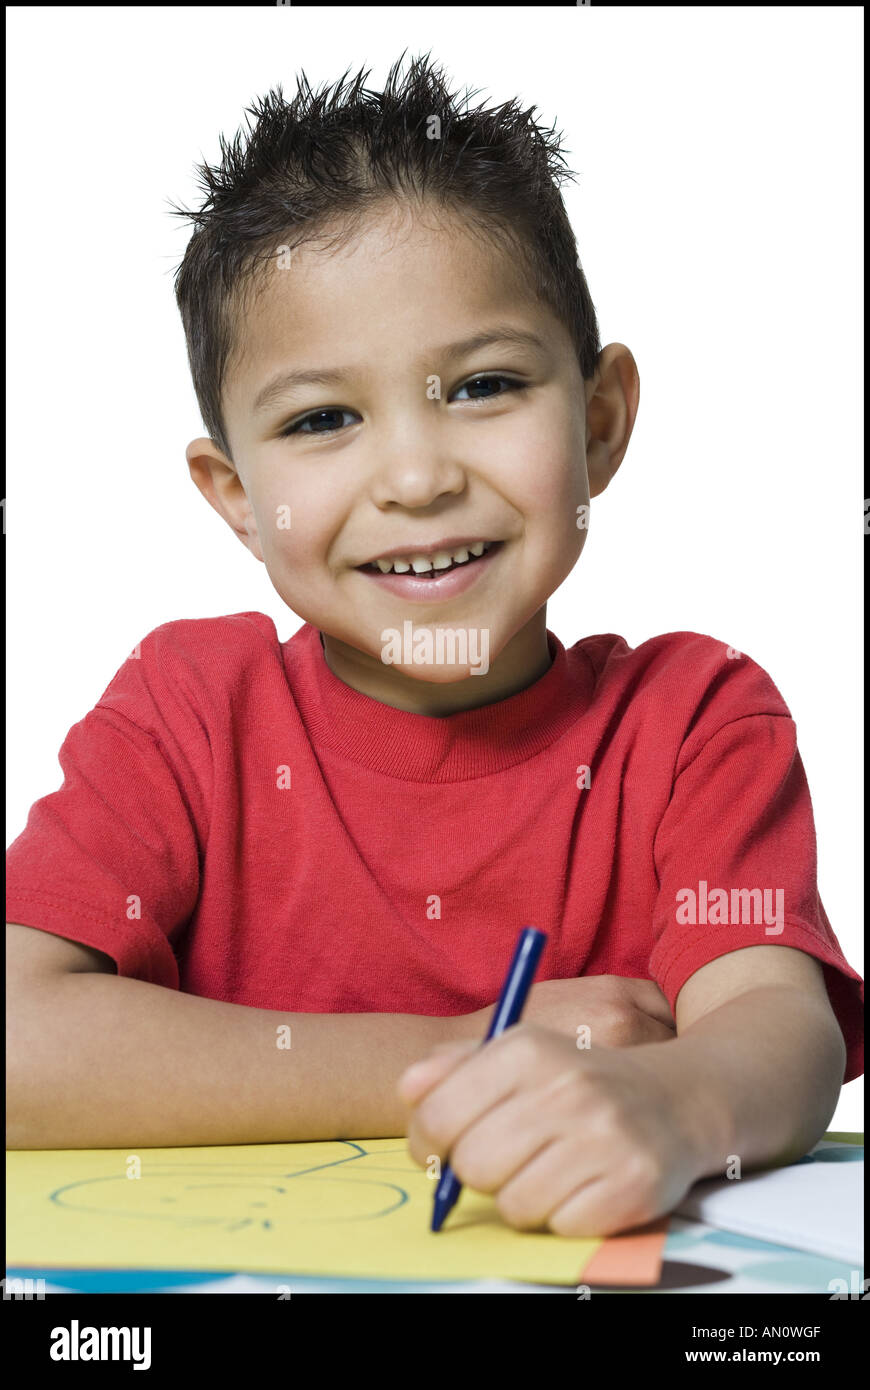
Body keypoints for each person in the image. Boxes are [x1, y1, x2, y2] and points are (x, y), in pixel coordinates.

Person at [6, 54, 862, 1237]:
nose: (416, 477)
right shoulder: (189, 711)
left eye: (485, 385)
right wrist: (474, 1051)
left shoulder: (694, 717)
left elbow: (778, 1028)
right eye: (322, 419)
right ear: (237, 495)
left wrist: (673, 1105)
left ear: (599, 421)